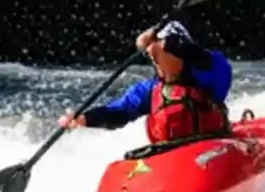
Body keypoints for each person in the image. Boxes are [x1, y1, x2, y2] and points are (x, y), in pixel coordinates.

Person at [58, 20, 233, 144]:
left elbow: (204, 59)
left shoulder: (209, 73)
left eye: (159, 54)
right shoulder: (150, 90)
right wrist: (84, 119)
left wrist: (169, 44)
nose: (155, 62)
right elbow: (118, 112)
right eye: (152, 56)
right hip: (172, 156)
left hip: (211, 145)